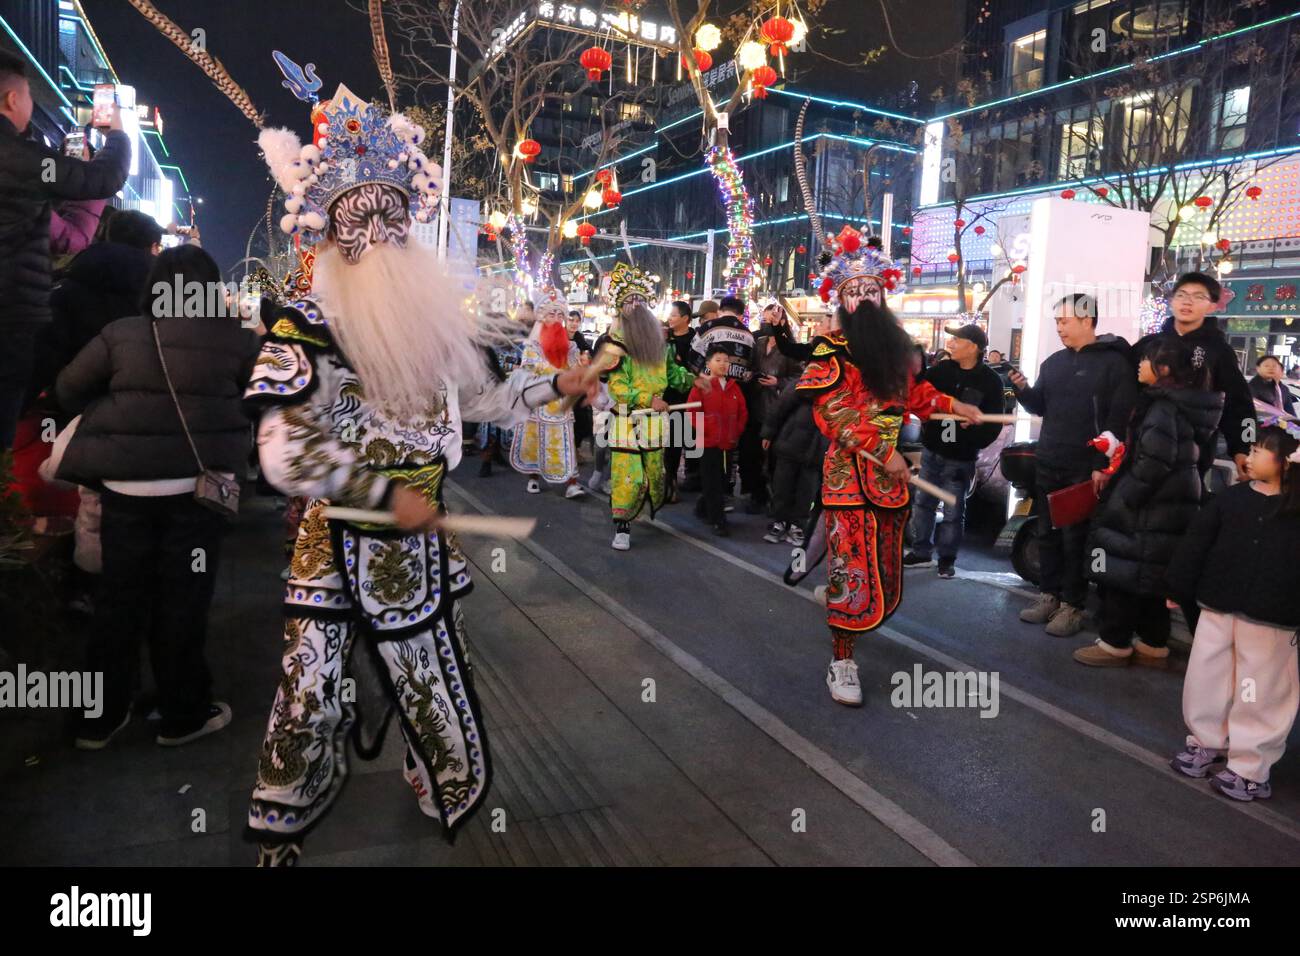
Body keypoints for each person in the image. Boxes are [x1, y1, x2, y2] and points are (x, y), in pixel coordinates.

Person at [242, 66, 590, 865]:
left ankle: (428, 776)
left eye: (398, 236)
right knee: (309, 694)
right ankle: (281, 832)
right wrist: (374, 491)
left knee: (435, 675)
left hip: (425, 543)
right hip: (335, 544)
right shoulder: (310, 325)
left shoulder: (431, 328)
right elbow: (283, 446)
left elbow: (488, 400)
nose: (389, 255)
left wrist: (557, 386)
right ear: (336, 243)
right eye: (372, 239)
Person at [53, 245, 261, 750]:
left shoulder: (121, 334)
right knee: (184, 601)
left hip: (127, 491)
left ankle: (100, 718)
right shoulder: (235, 340)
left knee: (119, 599)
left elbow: (67, 388)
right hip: (197, 493)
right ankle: (182, 713)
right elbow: (258, 398)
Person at [797, 226, 982, 706]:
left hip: (890, 481)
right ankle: (841, 659)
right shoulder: (829, 353)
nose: (864, 301)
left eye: (871, 292)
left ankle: (845, 613)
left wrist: (949, 405)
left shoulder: (894, 353)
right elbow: (831, 414)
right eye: (854, 294)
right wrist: (884, 452)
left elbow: (912, 396)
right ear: (842, 301)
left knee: (880, 568)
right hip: (849, 478)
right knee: (851, 570)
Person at [0, 50, 131, 447]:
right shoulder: (21, 158)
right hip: (9, 313)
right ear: (11, 100)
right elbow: (102, 178)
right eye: (28, 98)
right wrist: (118, 135)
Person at [1165, 425, 1300, 801]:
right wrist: (1178, 585)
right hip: (1218, 605)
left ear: (1287, 461)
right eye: (1252, 448)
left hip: (1274, 615)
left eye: (1261, 450)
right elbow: (1197, 542)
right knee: (1209, 676)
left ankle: (1250, 768)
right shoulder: (1232, 498)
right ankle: (1206, 742)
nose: (1250, 456)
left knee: (1262, 690)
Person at [1074, 336, 1223, 667]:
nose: (1138, 365)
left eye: (1145, 360)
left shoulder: (1162, 407)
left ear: (1164, 369)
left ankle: (1115, 644)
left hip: (1150, 506)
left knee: (1122, 576)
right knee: (1152, 577)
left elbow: (1154, 462)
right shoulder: (1186, 405)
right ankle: (1153, 645)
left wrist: (1126, 496)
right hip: (1174, 505)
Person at [1009, 293, 1137, 637]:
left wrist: (1100, 463)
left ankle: (1074, 606)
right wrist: (1022, 389)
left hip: (1084, 468)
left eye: (1064, 321)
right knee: (1047, 533)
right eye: (1057, 322)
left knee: (1076, 540)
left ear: (1087, 320)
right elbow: (1039, 406)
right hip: (1049, 459)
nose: (1060, 328)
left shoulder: (1115, 364)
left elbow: (1118, 419)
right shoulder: (1053, 363)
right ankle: (1048, 596)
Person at [27, 209, 163, 407]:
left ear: (108, 236)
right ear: (153, 246)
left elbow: (40, 360)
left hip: (74, 414)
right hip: (151, 411)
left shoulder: (68, 288)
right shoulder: (169, 297)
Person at [601, 264, 693, 550]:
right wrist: (647, 400)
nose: (637, 306)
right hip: (627, 421)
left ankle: (640, 509)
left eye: (640, 300)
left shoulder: (661, 346)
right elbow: (617, 388)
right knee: (629, 474)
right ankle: (622, 526)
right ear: (621, 309)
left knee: (654, 470)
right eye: (630, 302)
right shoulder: (616, 347)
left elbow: (673, 375)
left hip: (654, 422)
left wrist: (694, 380)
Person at [903, 323, 1006, 577]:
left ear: (972, 347)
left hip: (960, 457)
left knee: (953, 510)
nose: (950, 344)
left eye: (956, 340)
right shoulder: (941, 370)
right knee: (923, 502)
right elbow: (920, 395)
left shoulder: (990, 381)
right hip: (932, 449)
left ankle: (946, 560)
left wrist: (972, 437)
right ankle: (921, 551)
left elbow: (994, 422)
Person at [1134, 272, 1254, 481]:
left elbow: (1240, 403)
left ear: (1212, 306)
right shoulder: (1148, 345)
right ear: (1171, 301)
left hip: (1192, 455)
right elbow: (1123, 393)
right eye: (1181, 295)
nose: (1187, 301)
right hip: (1141, 448)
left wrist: (1244, 447)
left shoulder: (1218, 351)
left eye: (1198, 296)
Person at [509, 285, 586, 499]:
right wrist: (556, 373)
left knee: (564, 443)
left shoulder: (570, 346)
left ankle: (572, 482)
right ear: (542, 316)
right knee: (535, 441)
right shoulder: (533, 344)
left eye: (560, 313)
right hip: (538, 400)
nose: (556, 317)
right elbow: (530, 366)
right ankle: (533, 477)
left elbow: (573, 367)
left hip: (561, 403)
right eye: (551, 313)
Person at [689, 346, 747, 536]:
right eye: (718, 360)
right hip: (707, 443)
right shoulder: (702, 385)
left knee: (722, 480)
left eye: (726, 360)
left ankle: (703, 507)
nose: (723, 364)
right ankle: (718, 520)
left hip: (727, 443)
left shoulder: (734, 387)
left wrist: (735, 431)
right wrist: (706, 430)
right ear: (708, 364)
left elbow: (742, 413)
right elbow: (692, 411)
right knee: (712, 481)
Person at [662, 299, 697, 501]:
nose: (670, 319)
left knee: (692, 439)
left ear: (685, 318)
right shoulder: (666, 340)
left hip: (692, 397)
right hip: (670, 399)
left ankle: (693, 478)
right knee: (673, 442)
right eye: (670, 315)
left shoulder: (696, 340)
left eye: (674, 315)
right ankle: (671, 482)